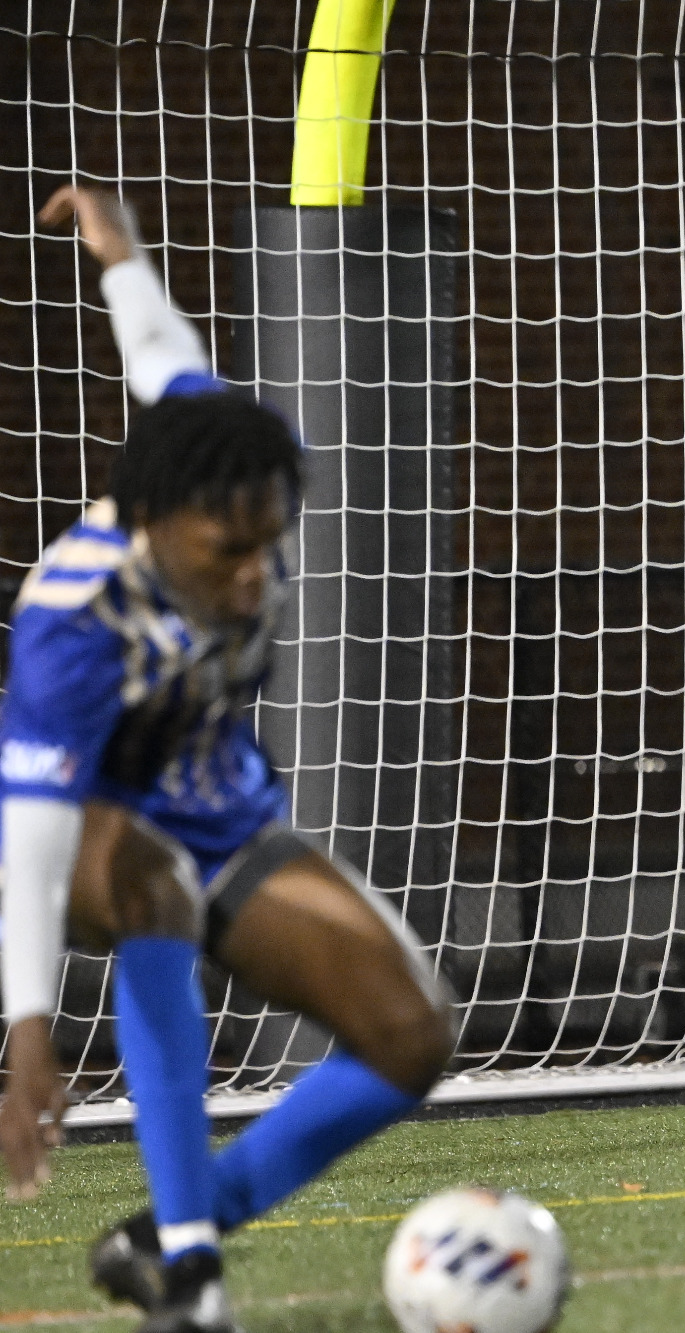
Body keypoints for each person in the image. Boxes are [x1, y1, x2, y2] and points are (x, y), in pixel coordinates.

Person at [0, 187, 455, 1333]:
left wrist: (122, 256)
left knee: (413, 1034)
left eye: (270, 542)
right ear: (152, 522)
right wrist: (28, 1027)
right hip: (75, 822)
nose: (257, 574)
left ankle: (165, 1237)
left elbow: (165, 353)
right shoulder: (73, 619)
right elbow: (37, 841)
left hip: (224, 811)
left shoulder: (214, 454)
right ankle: (195, 1288)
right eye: (228, 552)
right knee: (147, 874)